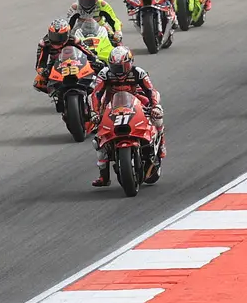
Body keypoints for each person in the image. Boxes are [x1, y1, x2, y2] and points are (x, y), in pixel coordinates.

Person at [86, 46, 165, 188]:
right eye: (115, 67)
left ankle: (161, 145)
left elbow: (150, 90)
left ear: (130, 63)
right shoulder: (104, 74)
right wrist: (95, 113)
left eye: (122, 67)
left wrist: (155, 107)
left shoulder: (138, 73)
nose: (119, 71)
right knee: (98, 140)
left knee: (158, 115)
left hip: (136, 100)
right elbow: (96, 94)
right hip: (111, 104)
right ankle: (104, 176)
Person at [34, 19, 105, 93]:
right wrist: (42, 71)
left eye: (60, 36)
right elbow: (40, 62)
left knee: (100, 68)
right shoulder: (44, 43)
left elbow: (87, 51)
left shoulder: (74, 39)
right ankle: (56, 94)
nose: (56, 39)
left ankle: (96, 91)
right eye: (53, 35)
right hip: (55, 63)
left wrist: (95, 60)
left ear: (67, 34)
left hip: (76, 61)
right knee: (38, 83)